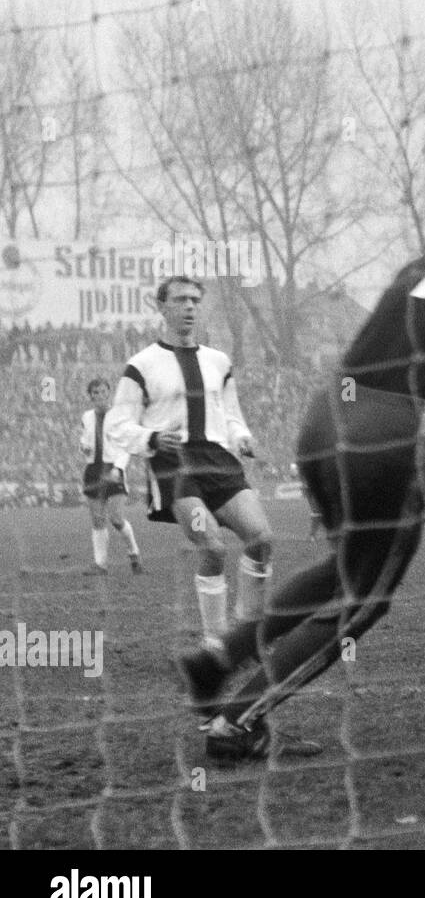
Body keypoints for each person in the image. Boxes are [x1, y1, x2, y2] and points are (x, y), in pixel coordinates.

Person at [179, 194, 425, 761]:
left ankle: (217, 658)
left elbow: (393, 372)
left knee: (343, 568)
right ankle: (237, 721)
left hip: (325, 418)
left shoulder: (420, 268)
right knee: (365, 599)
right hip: (388, 435)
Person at [106, 276, 274, 690]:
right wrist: (148, 438)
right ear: (160, 306)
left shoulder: (218, 361)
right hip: (173, 466)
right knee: (213, 547)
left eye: (195, 300)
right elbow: (117, 422)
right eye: (180, 300)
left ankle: (246, 634)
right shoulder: (141, 365)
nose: (189, 307)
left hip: (220, 462)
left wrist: (242, 437)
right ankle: (216, 642)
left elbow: (230, 413)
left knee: (262, 539)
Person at [79, 378, 144, 576]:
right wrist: (84, 447)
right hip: (93, 470)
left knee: (116, 518)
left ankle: (134, 553)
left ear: (109, 394)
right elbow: (84, 440)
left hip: (113, 470)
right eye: (95, 393)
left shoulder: (119, 416)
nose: (99, 396)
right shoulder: (87, 417)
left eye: (103, 392)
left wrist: (119, 467)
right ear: (90, 396)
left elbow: (126, 444)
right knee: (98, 519)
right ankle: (100, 564)